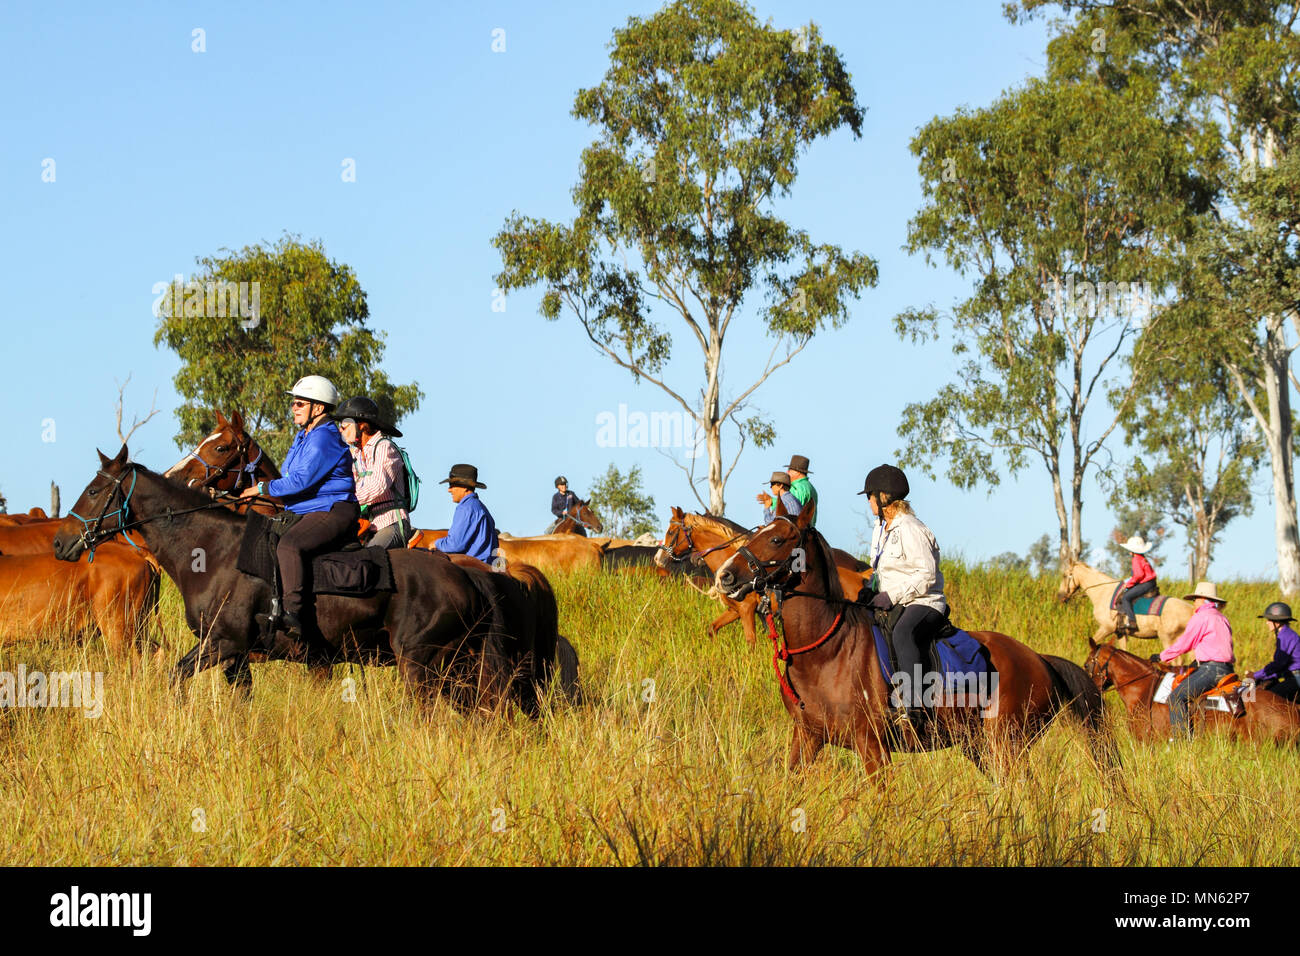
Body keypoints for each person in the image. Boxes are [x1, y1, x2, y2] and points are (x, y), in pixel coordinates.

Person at [239, 375, 357, 645]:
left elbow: (299, 480)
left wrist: (261, 490)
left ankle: (293, 614)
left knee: (289, 547)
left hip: (332, 510)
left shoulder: (324, 438)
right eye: (293, 403)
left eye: (300, 403)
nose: (293, 408)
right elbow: (289, 475)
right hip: (307, 510)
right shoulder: (303, 436)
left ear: (318, 408)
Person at [858, 464, 947, 717]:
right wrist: (869, 589)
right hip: (894, 602)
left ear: (882, 497)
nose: (868, 502)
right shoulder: (881, 529)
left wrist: (891, 596)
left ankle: (915, 704)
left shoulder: (911, 528)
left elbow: (927, 575)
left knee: (903, 632)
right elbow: (882, 570)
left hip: (924, 602)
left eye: (869, 496)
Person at [1158, 582, 1235, 739]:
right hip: (1227, 669)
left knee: (1175, 698)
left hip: (1211, 670)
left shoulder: (1201, 617)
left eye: (1195, 599)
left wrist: (1161, 656)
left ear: (1202, 599)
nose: (1193, 603)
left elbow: (1185, 643)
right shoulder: (1222, 617)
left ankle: (1181, 743)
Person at [334, 396, 410, 550]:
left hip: (391, 523)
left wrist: (345, 501)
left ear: (361, 425)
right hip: (368, 525)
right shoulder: (354, 454)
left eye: (344, 426)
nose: (340, 431)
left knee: (365, 559)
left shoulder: (385, 447)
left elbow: (377, 486)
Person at [436, 464, 499, 565]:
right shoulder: (480, 507)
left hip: (473, 568)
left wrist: (436, 544)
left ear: (465, 487)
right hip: (487, 567)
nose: (449, 490)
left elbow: (455, 545)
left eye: (452, 485)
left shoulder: (465, 508)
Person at [1246, 602, 1300, 703]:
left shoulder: (1285, 636)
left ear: (1277, 622)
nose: (1267, 622)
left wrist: (1255, 675)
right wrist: (1264, 676)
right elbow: (1281, 667)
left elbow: (1278, 664)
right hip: (1292, 677)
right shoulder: (1286, 634)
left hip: (1295, 679)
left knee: (1267, 699)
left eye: (1269, 620)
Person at [1116, 534, 1157, 635]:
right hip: (1151, 582)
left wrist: (1128, 584)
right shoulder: (1142, 557)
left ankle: (1132, 621)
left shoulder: (1136, 559)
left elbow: (1138, 575)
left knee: (1126, 598)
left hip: (1146, 584)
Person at [786, 455, 818, 526]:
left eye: (790, 470)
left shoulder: (796, 487)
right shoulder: (811, 487)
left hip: (798, 530)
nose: (787, 472)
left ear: (798, 472)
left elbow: (793, 513)